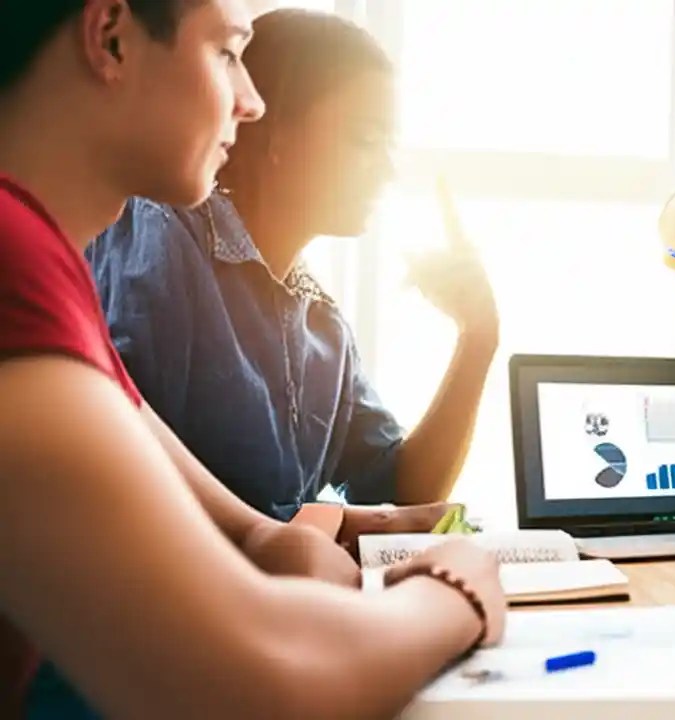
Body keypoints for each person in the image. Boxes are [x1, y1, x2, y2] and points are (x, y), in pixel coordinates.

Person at [0, 1, 504, 717]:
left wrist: (316, 529)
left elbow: (258, 529)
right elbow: (260, 678)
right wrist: (457, 591)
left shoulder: (49, 268)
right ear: (110, 39)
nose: (251, 101)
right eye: (227, 53)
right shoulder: (39, 259)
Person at [88, 8, 498, 523]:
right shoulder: (164, 235)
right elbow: (122, 459)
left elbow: (402, 492)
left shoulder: (323, 326)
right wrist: (330, 526)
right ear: (275, 131)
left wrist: (478, 338)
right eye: (366, 140)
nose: (387, 170)